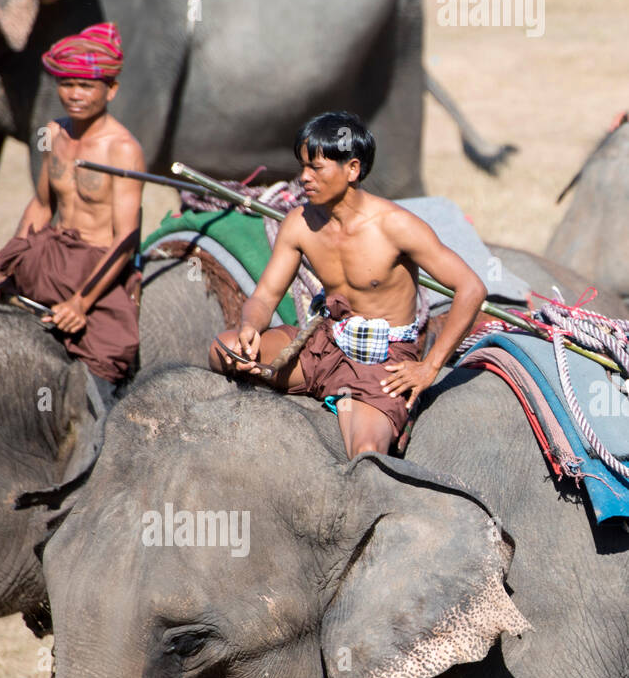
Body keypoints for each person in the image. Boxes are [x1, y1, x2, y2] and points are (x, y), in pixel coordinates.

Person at [208, 111, 487, 455]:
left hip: (381, 360)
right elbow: (265, 296)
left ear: (352, 169)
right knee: (224, 351)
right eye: (303, 166)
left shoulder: (397, 226)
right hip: (325, 342)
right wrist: (251, 326)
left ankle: (387, 414)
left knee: (366, 451)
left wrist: (429, 368)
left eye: (316, 168)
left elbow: (471, 288)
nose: (304, 178)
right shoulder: (299, 223)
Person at [0, 22, 145, 395]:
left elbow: (126, 236)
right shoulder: (54, 134)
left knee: (103, 370)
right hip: (52, 254)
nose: (74, 95)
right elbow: (41, 206)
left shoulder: (122, 149)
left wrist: (80, 302)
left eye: (86, 86)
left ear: (111, 89)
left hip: (98, 267)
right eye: (66, 84)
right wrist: (9, 270)